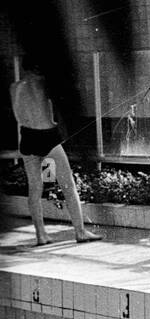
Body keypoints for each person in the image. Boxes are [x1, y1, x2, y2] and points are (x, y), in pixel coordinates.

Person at [9, 61, 100, 244]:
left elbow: (18, 115)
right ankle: (80, 232)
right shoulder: (43, 83)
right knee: (68, 185)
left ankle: (40, 235)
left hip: (26, 137)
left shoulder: (15, 87)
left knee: (34, 188)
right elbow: (56, 110)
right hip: (47, 137)